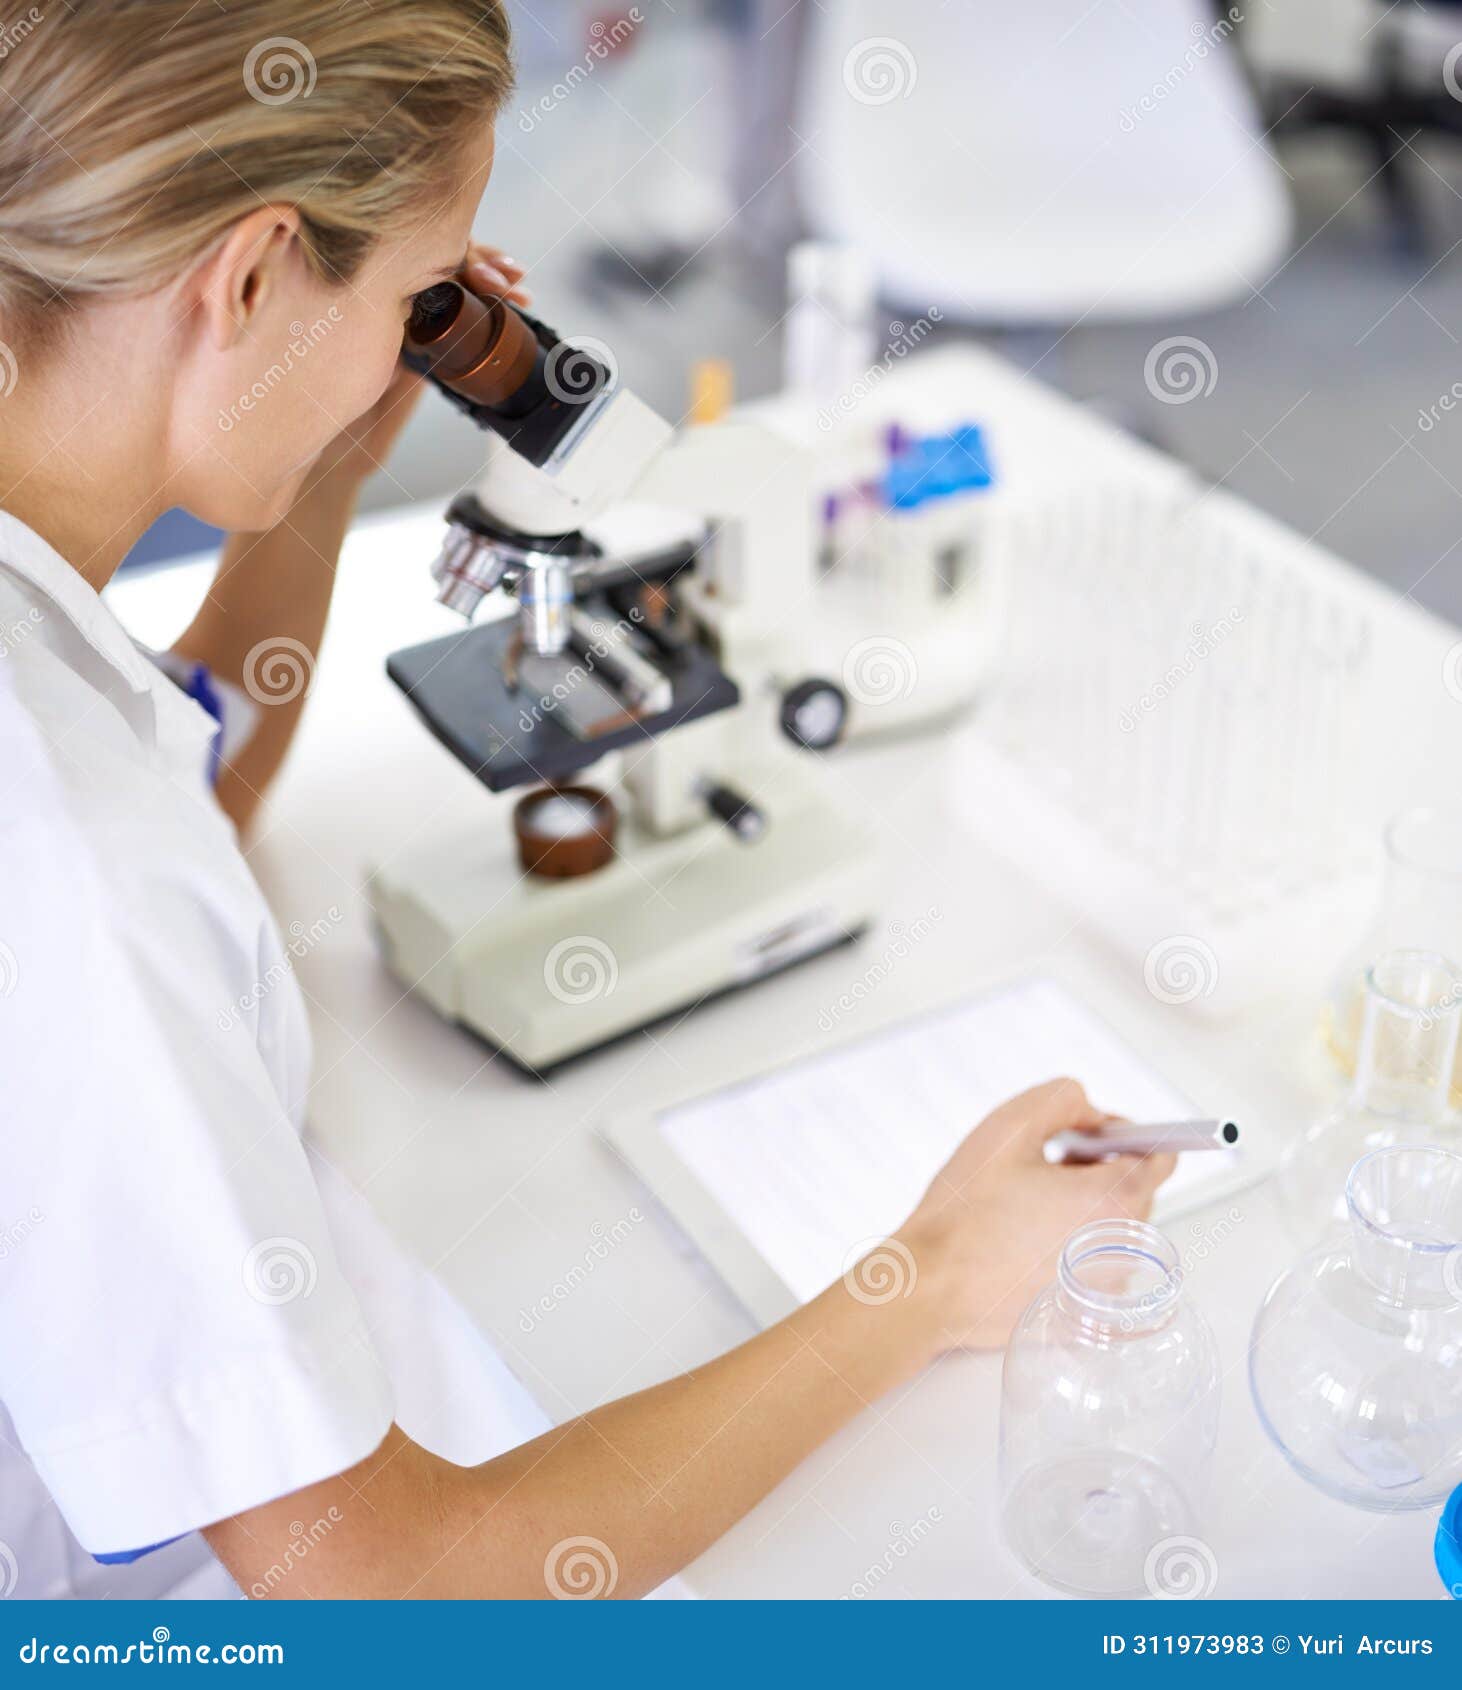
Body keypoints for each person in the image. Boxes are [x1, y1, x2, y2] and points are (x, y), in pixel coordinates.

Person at [0, 0, 1173, 1601]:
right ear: (257, 274)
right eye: (426, 292)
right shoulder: (73, 859)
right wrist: (927, 1277)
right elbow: (391, 1588)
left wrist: (320, 469)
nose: (438, 332)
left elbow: (203, 766)